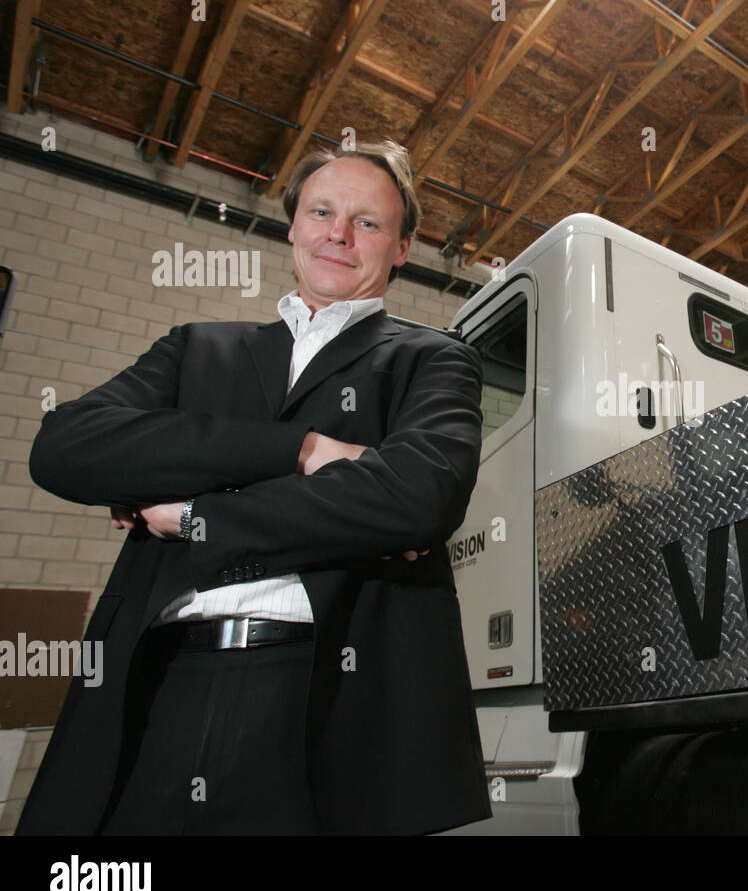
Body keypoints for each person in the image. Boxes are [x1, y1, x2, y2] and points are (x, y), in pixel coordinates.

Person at [16, 139, 491, 835]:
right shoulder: (196, 348)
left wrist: (196, 515)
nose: (339, 233)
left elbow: (418, 498)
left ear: (402, 249)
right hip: (158, 681)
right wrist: (301, 451)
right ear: (294, 224)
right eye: (323, 211)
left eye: (368, 222)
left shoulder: (435, 360)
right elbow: (63, 448)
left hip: (328, 699)